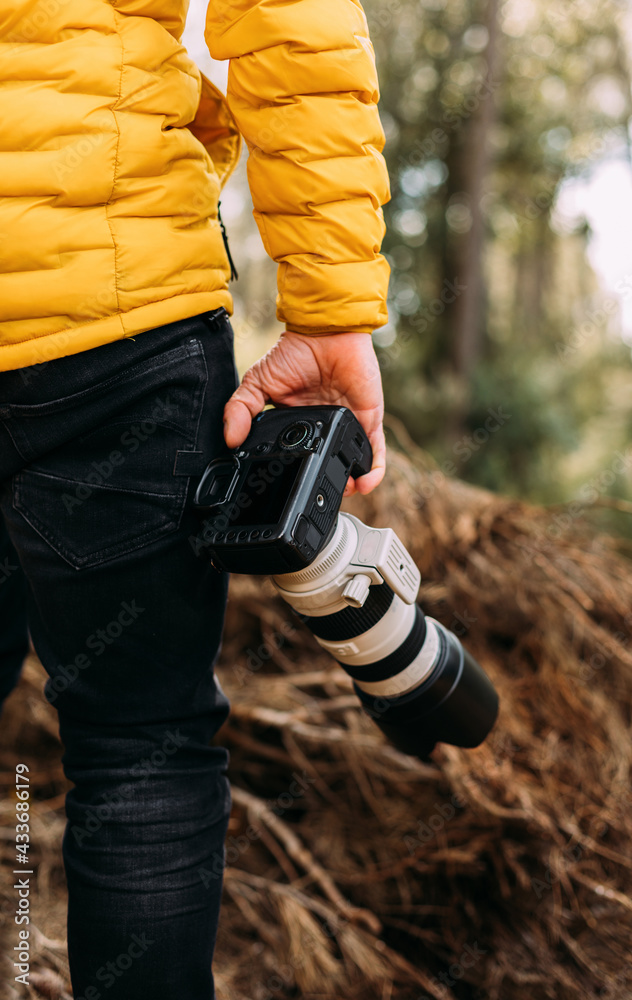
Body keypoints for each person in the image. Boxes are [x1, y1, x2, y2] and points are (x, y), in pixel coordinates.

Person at [0, 1, 391, 997]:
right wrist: (333, 304)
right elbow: (289, 16)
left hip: (114, 294)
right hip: (112, 295)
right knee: (140, 749)